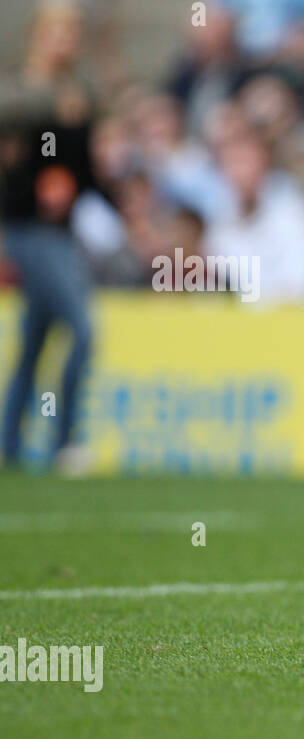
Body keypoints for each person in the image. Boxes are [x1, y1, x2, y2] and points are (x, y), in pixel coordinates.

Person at [0, 0, 96, 472]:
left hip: (61, 231)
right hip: (26, 228)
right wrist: (56, 112)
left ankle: (10, 445)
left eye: (72, 33)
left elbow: (85, 171)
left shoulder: (78, 93)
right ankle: (65, 439)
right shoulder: (21, 88)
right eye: (57, 32)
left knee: (35, 342)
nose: (65, 42)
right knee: (82, 330)